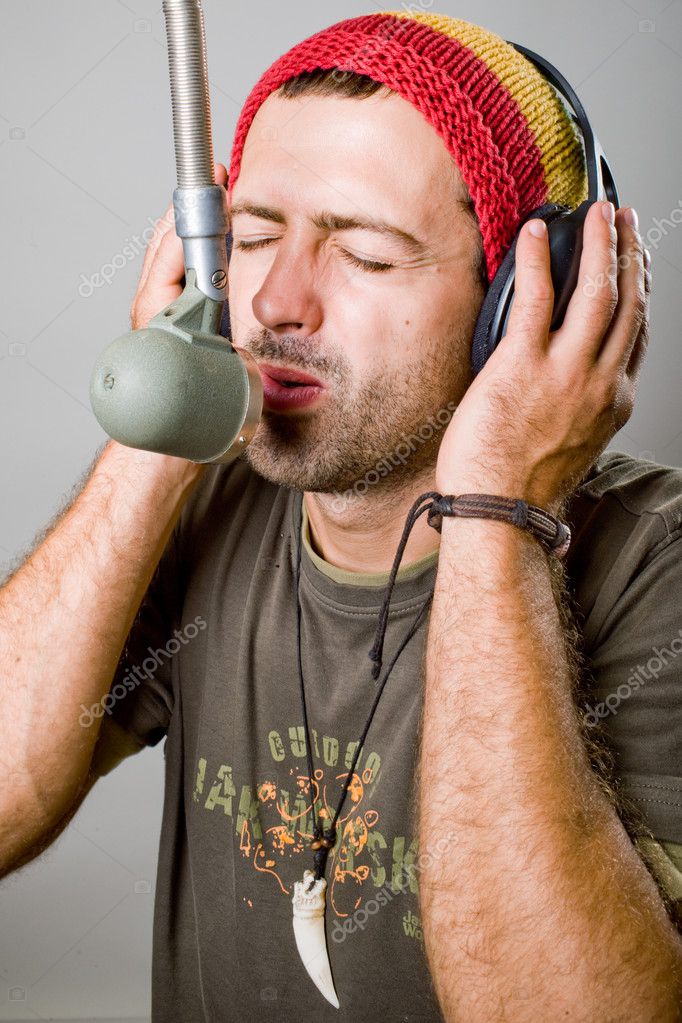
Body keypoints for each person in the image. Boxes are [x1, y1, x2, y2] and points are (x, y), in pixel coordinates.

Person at [2, 11, 681, 1021]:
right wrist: (162, 435)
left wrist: (498, 510)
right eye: (252, 237)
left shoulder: (655, 568)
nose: (275, 301)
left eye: (362, 255)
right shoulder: (204, 508)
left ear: (519, 307)